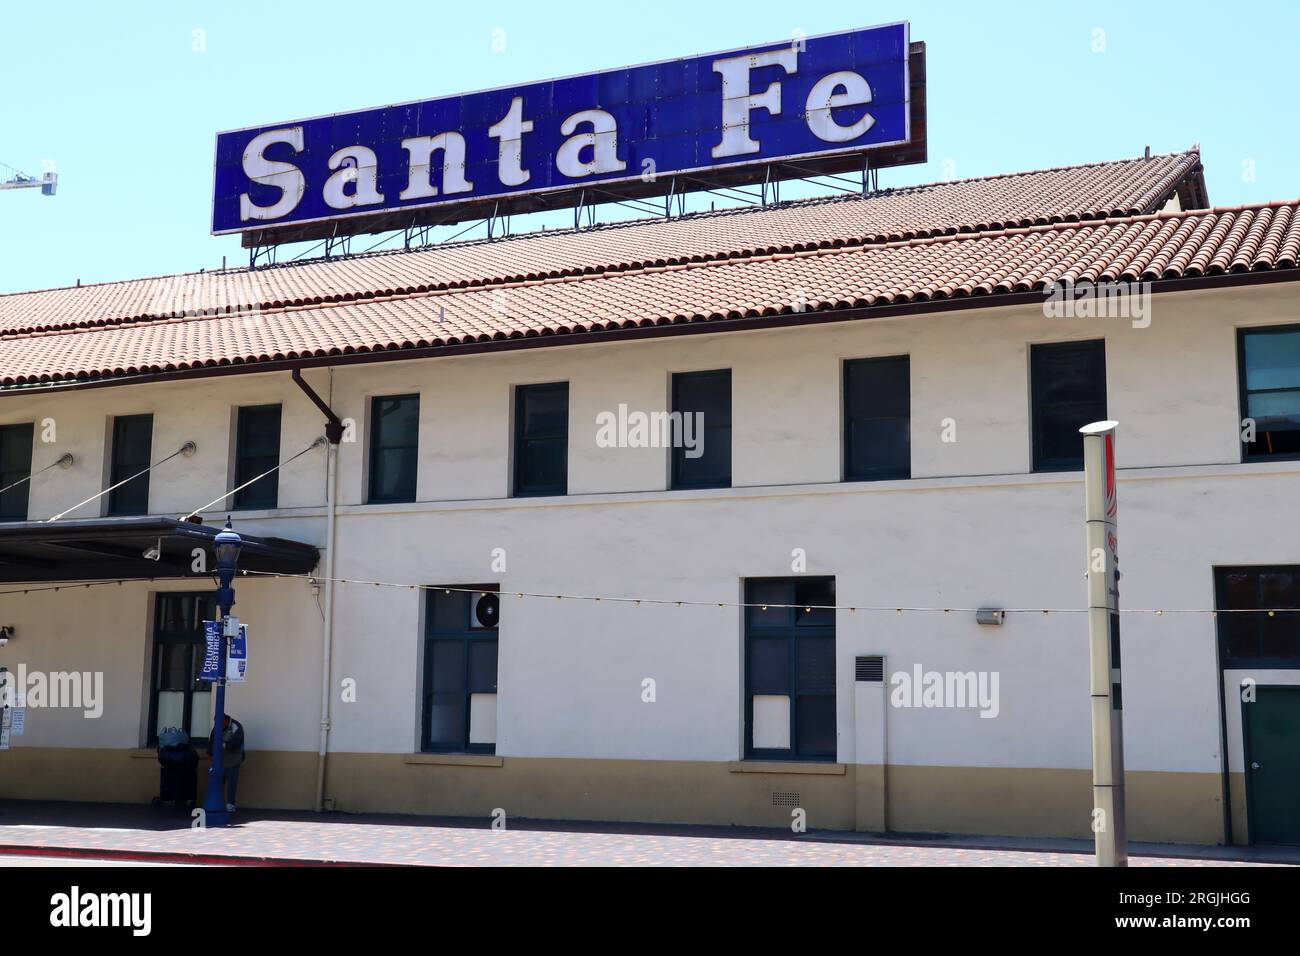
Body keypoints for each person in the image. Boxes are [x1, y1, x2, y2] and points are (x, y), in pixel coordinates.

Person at [208, 714, 246, 812]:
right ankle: (219, 802)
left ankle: (230, 804)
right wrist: (211, 754)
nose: (218, 725)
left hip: (233, 760)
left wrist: (224, 745)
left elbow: (237, 743)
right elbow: (212, 741)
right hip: (220, 760)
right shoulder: (217, 727)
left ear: (225, 720)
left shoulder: (236, 726)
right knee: (219, 782)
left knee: (231, 783)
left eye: (220, 723)